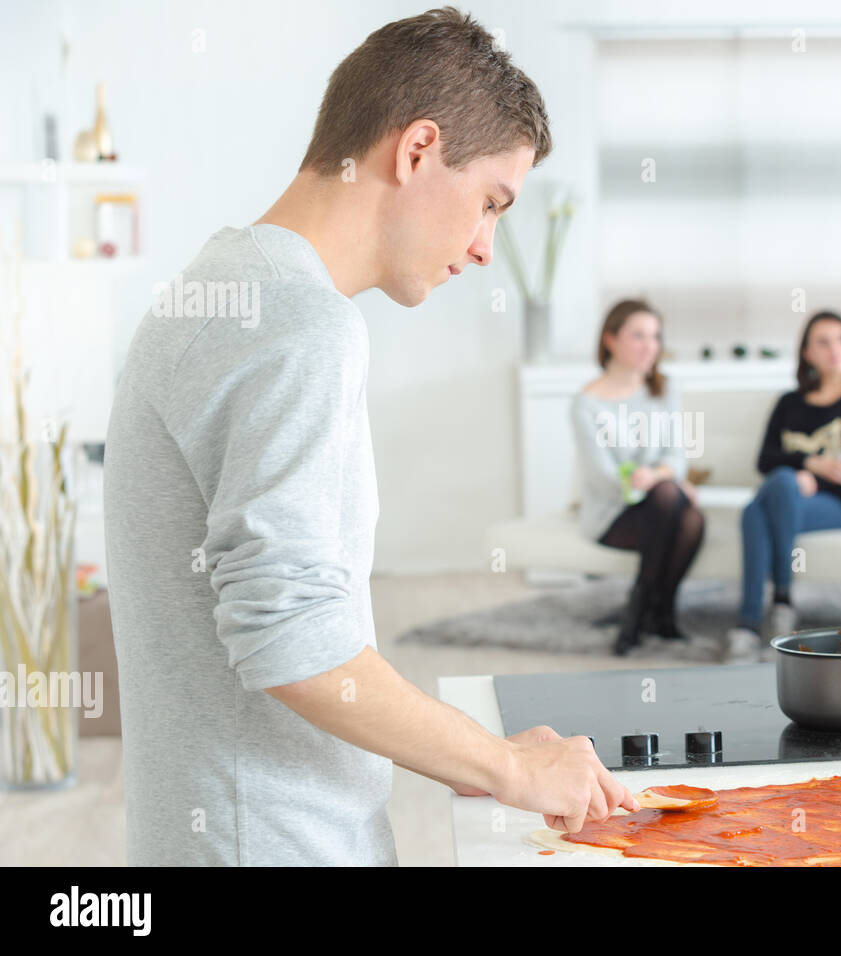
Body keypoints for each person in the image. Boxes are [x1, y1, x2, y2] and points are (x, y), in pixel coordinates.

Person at [102, 8, 638, 867]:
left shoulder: (215, 289)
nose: (485, 247)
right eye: (490, 202)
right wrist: (504, 766)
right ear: (418, 149)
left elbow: (291, 624)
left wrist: (462, 747)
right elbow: (294, 642)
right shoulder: (300, 323)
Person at [726, 310, 841, 662]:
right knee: (772, 494)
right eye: (824, 342)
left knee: (758, 507)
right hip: (788, 497)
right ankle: (777, 605)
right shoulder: (790, 403)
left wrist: (811, 480)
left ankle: (751, 622)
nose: (836, 349)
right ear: (806, 353)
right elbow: (764, 460)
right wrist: (810, 465)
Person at [571, 300, 705, 656]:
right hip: (612, 512)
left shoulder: (664, 389)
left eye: (656, 336)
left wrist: (661, 477)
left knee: (689, 516)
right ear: (611, 340)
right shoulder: (587, 404)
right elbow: (602, 477)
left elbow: (678, 455)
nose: (651, 346)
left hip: (661, 501)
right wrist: (650, 480)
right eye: (639, 336)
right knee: (672, 502)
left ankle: (650, 606)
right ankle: (652, 610)